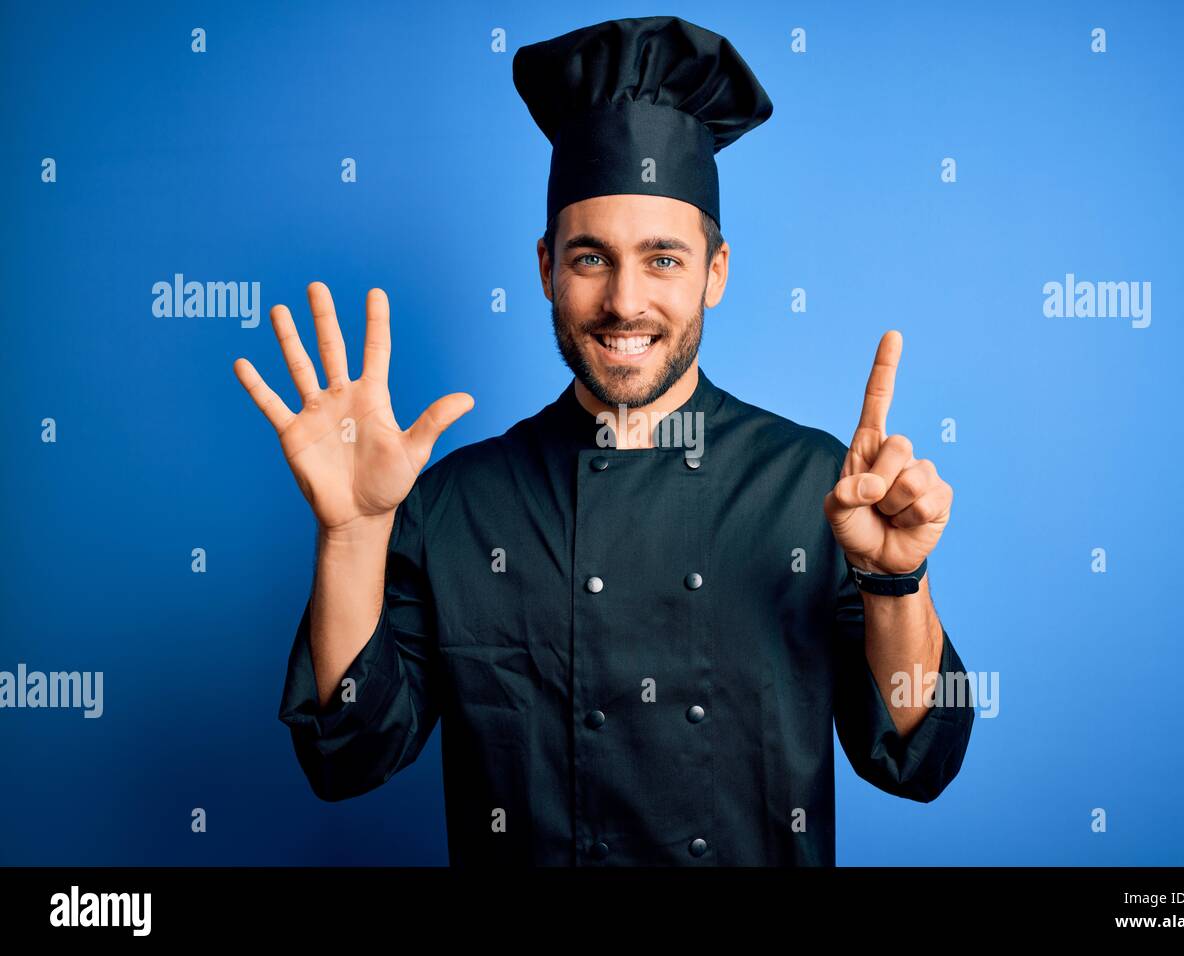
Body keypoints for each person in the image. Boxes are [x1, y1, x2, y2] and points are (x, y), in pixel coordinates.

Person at [234, 15, 974, 866]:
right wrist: (353, 535)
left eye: (663, 259)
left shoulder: (818, 488)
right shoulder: (454, 503)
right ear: (546, 267)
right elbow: (347, 757)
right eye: (591, 259)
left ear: (716, 273)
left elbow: (921, 760)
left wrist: (897, 581)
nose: (626, 301)